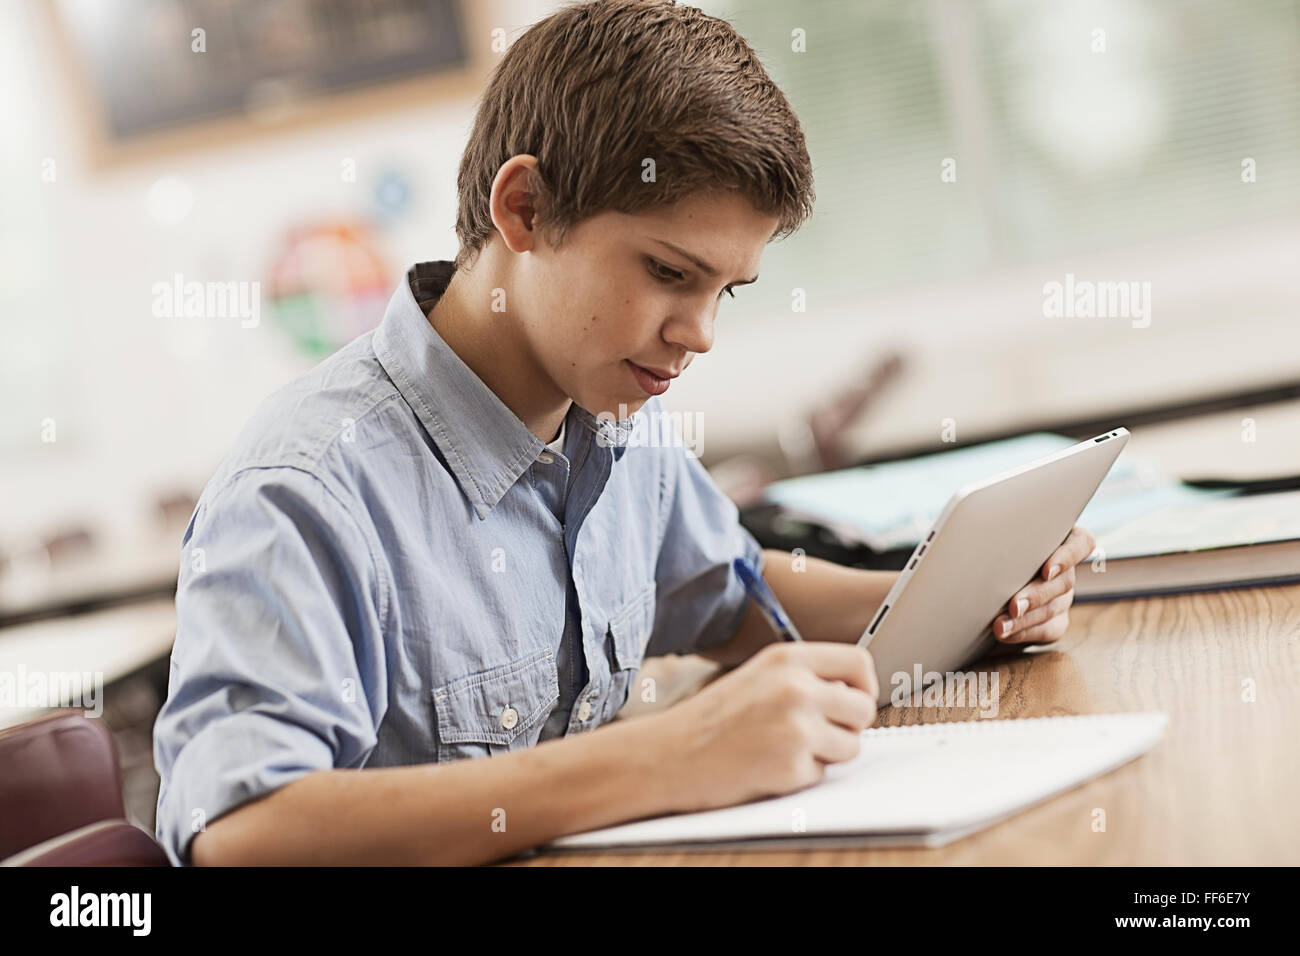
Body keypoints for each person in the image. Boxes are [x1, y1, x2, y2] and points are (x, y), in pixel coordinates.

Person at [153, 0, 1094, 866]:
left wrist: (976, 598)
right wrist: (664, 760)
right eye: (668, 272)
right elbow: (241, 834)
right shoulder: (305, 491)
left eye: (726, 291)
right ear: (524, 210)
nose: (701, 334)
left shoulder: (612, 420)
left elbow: (739, 599)